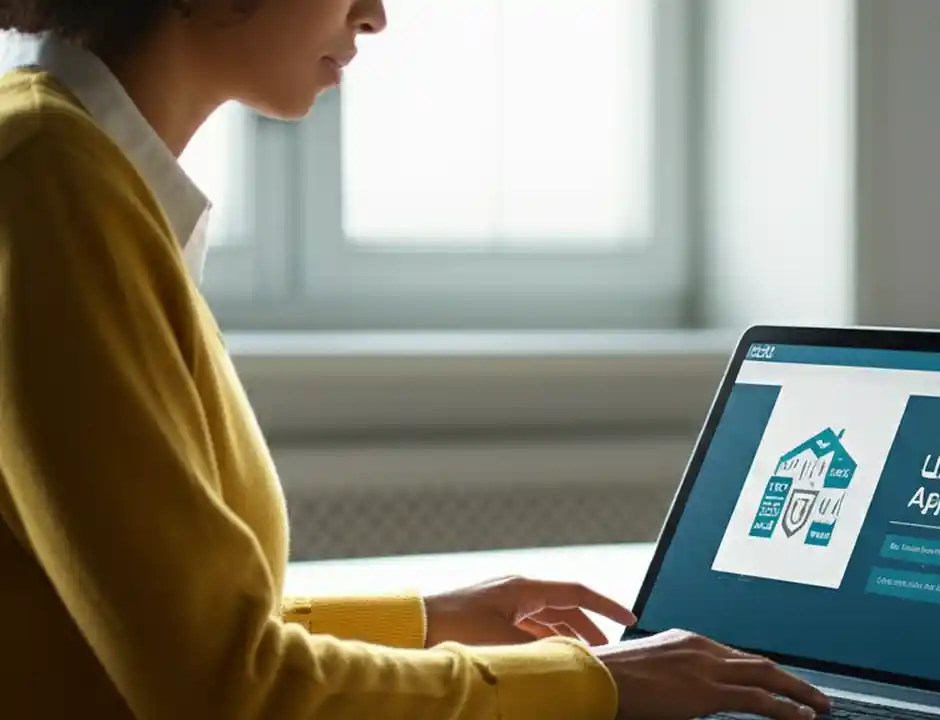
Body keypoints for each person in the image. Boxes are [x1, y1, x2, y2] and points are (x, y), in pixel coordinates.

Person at [0, 1, 832, 719]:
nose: (376, 14)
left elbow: (170, 628)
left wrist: (428, 618)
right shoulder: (52, 185)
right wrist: (596, 684)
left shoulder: (84, 172)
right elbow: (226, 691)